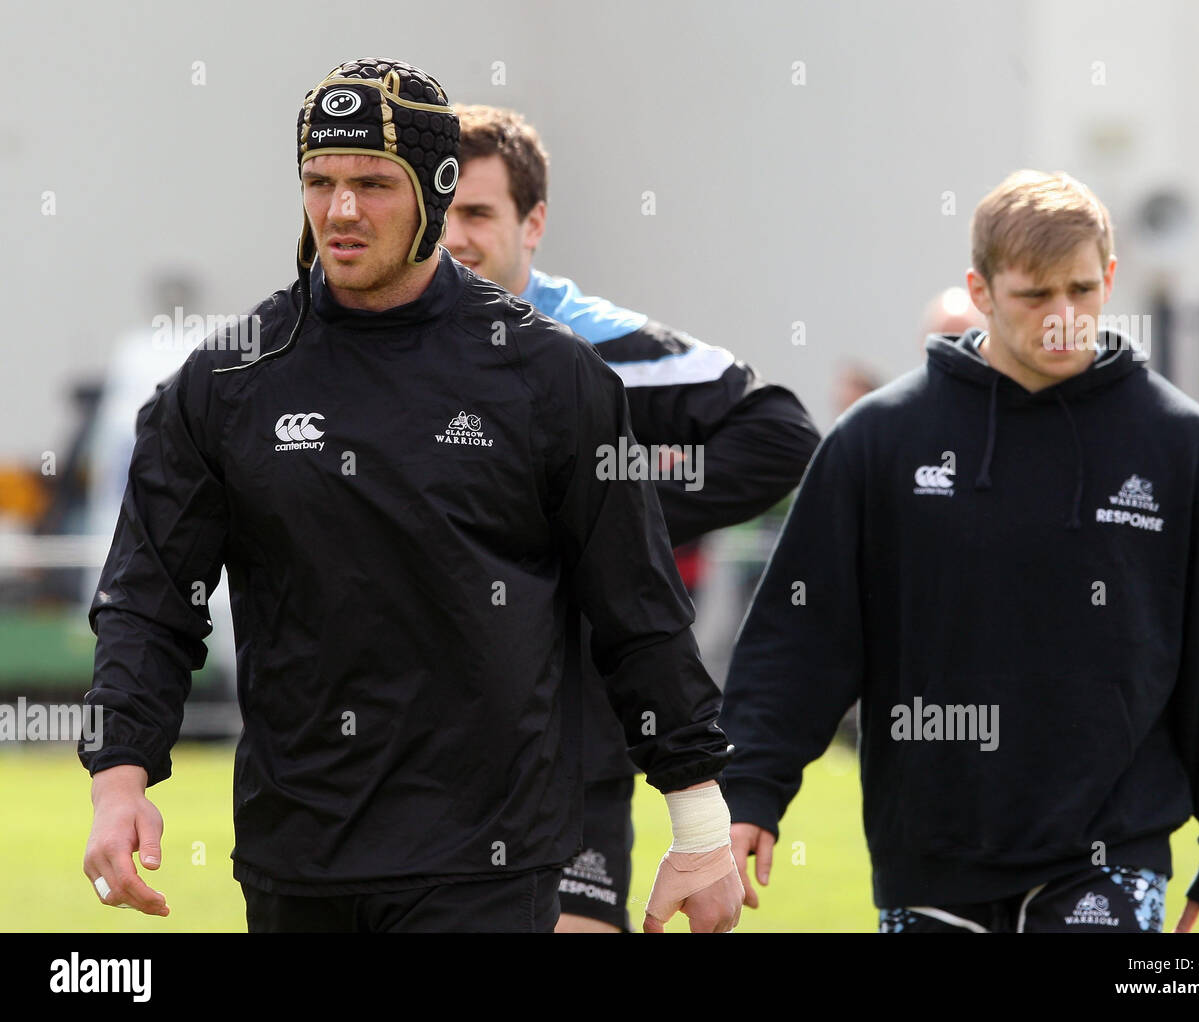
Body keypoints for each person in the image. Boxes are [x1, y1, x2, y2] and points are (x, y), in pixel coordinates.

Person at [78, 57, 746, 934]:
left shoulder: (548, 376)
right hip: (297, 854)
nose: (341, 210)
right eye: (319, 181)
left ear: (434, 191)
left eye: (372, 183)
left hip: (489, 856)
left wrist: (698, 821)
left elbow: (637, 607)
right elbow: (150, 598)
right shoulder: (227, 380)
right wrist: (119, 775)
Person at [721, 169, 1199, 933]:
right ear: (980, 291)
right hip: (930, 857)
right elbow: (801, 635)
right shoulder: (880, 442)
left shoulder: (1182, 447)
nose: (1063, 317)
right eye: (1034, 296)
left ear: (1110, 278)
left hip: (1110, 856)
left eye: (1082, 292)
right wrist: (752, 786)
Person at [444, 104, 820, 932]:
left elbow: (780, 436)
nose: (454, 237)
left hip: (571, 732)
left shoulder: (597, 346)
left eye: (477, 213)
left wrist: (607, 512)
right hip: (412, 740)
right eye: (440, 211)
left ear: (532, 222)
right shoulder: (371, 349)